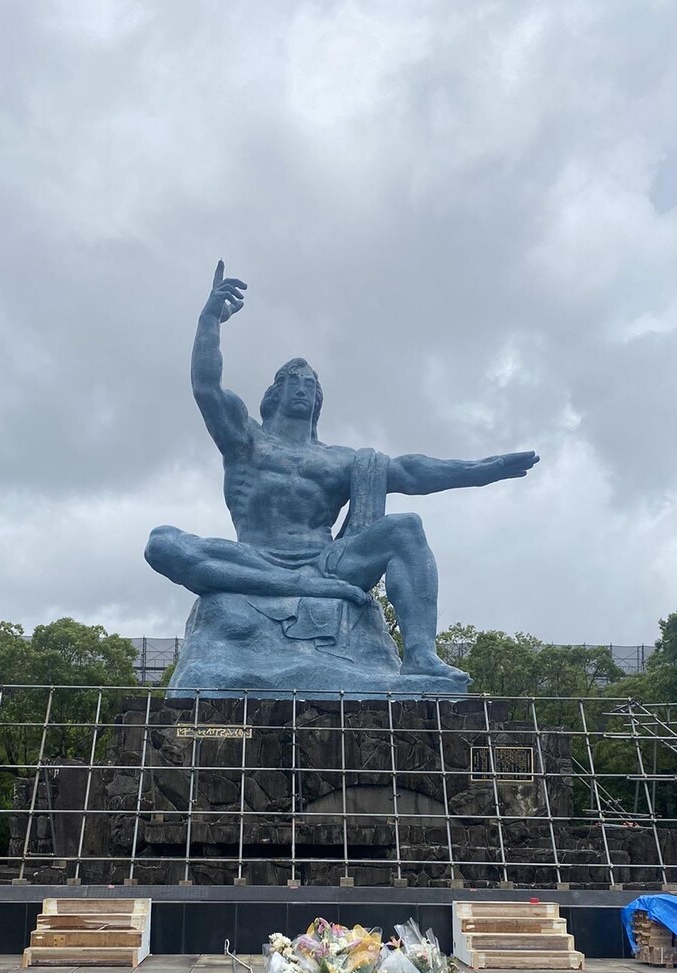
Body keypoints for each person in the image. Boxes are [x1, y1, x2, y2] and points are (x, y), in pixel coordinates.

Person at [145, 262, 540, 686]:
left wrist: (488, 468)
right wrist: (210, 320)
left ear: (319, 401)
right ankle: (293, 585)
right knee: (162, 543)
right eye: (293, 380)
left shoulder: (339, 460)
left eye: (311, 384)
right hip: (255, 555)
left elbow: (412, 471)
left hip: (327, 564)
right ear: (274, 393)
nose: (304, 387)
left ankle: (422, 656)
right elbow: (206, 387)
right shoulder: (246, 439)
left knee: (405, 528)